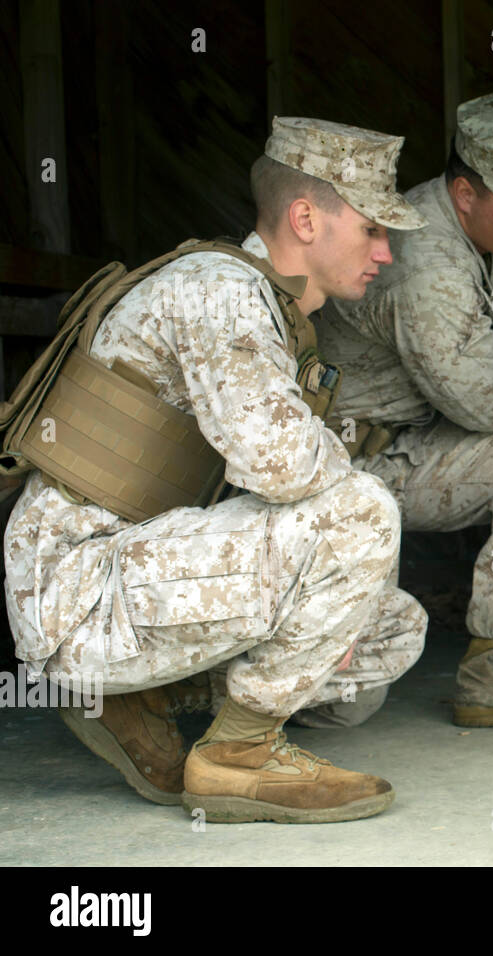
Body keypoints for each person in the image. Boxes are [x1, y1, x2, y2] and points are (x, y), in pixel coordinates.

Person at [3, 117, 430, 823]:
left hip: (133, 576)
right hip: (79, 596)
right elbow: (284, 463)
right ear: (304, 217)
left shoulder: (265, 305)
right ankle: (238, 754)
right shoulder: (220, 291)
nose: (387, 252)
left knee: (390, 629)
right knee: (362, 512)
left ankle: (144, 699)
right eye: (373, 229)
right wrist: (340, 493)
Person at [316, 94, 493, 728]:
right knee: (346, 704)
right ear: (466, 193)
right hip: (354, 473)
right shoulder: (428, 262)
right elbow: (489, 399)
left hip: (417, 446)